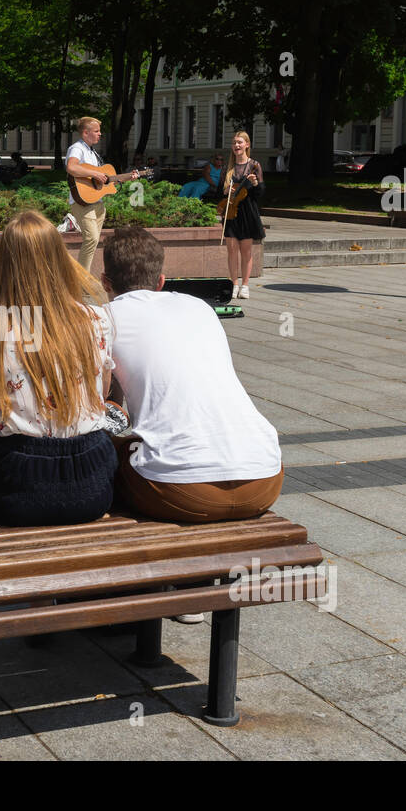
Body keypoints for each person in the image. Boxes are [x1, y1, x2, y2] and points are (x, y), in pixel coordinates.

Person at [100, 226, 283, 624]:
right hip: (265, 477)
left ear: (105, 282)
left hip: (179, 491)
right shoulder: (198, 308)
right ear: (162, 280)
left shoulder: (104, 318)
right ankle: (188, 582)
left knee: (103, 451)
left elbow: (103, 407)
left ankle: (125, 590)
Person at [0, 209, 117, 527]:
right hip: (91, 482)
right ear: (59, 258)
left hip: (16, 484)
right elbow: (103, 393)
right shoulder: (98, 320)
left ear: (5, 264)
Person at [65, 117, 113, 273]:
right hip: (82, 203)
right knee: (91, 239)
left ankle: (82, 276)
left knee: (92, 242)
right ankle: (81, 280)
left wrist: (125, 178)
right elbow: (71, 167)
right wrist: (94, 173)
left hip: (97, 203)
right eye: (97, 131)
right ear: (85, 133)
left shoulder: (92, 152)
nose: (100, 134)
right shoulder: (77, 148)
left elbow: (100, 180)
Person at [221, 131, 265, 300]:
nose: (236, 146)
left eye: (239, 142)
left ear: (247, 144)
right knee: (231, 250)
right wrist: (227, 190)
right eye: (234, 143)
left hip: (248, 212)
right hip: (232, 212)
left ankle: (245, 285)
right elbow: (221, 191)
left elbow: (260, 193)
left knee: (246, 251)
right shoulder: (229, 168)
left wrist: (254, 183)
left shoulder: (255, 165)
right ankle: (234, 284)